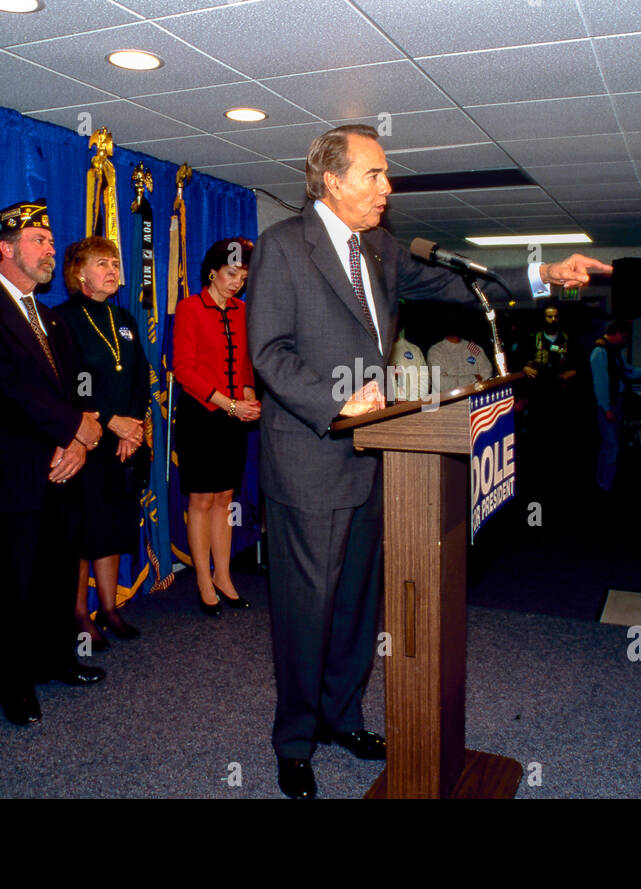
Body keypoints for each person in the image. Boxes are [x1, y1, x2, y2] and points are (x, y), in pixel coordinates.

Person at [247, 123, 608, 799]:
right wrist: (338, 400)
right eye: (375, 175)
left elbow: (460, 287)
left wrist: (544, 274)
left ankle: (341, 717)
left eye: (387, 176)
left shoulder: (380, 248)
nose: (389, 188)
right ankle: (293, 740)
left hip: (379, 455)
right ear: (332, 180)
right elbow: (268, 354)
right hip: (309, 459)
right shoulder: (281, 247)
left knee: (357, 603)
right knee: (308, 608)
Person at [0, 199, 105, 727]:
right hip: (12, 476)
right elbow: (1, 393)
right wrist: (71, 430)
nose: (51, 250)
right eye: (40, 241)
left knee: (58, 575)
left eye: (51, 242)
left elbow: (75, 390)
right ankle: (12, 685)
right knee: (10, 584)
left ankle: (55, 658)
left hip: (64, 470)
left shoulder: (53, 318)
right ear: (6, 248)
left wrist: (79, 442)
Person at [55, 237, 151, 648]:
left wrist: (134, 429)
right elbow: (71, 384)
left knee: (113, 527)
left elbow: (139, 378)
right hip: (87, 444)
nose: (113, 270)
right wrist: (113, 423)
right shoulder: (62, 320)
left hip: (123, 446)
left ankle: (110, 608)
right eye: (102, 264)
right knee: (83, 532)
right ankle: (80, 612)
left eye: (115, 263)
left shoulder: (124, 319)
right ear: (79, 274)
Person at [172, 236, 260, 616]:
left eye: (241, 276)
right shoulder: (190, 308)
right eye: (230, 274)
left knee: (225, 498)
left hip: (232, 419)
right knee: (202, 500)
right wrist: (230, 404)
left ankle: (224, 576)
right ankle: (203, 581)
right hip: (201, 417)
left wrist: (248, 397)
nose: (236, 282)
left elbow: (243, 366)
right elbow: (184, 370)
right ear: (212, 272)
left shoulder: (242, 310)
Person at [590, 320, 641, 493]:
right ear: (618, 333)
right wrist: (606, 408)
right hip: (608, 405)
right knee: (611, 446)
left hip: (616, 403)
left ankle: (605, 482)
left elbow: (630, 372)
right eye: (625, 337)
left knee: (610, 446)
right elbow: (600, 383)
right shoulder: (600, 352)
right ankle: (604, 486)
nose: (626, 341)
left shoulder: (614, 353)